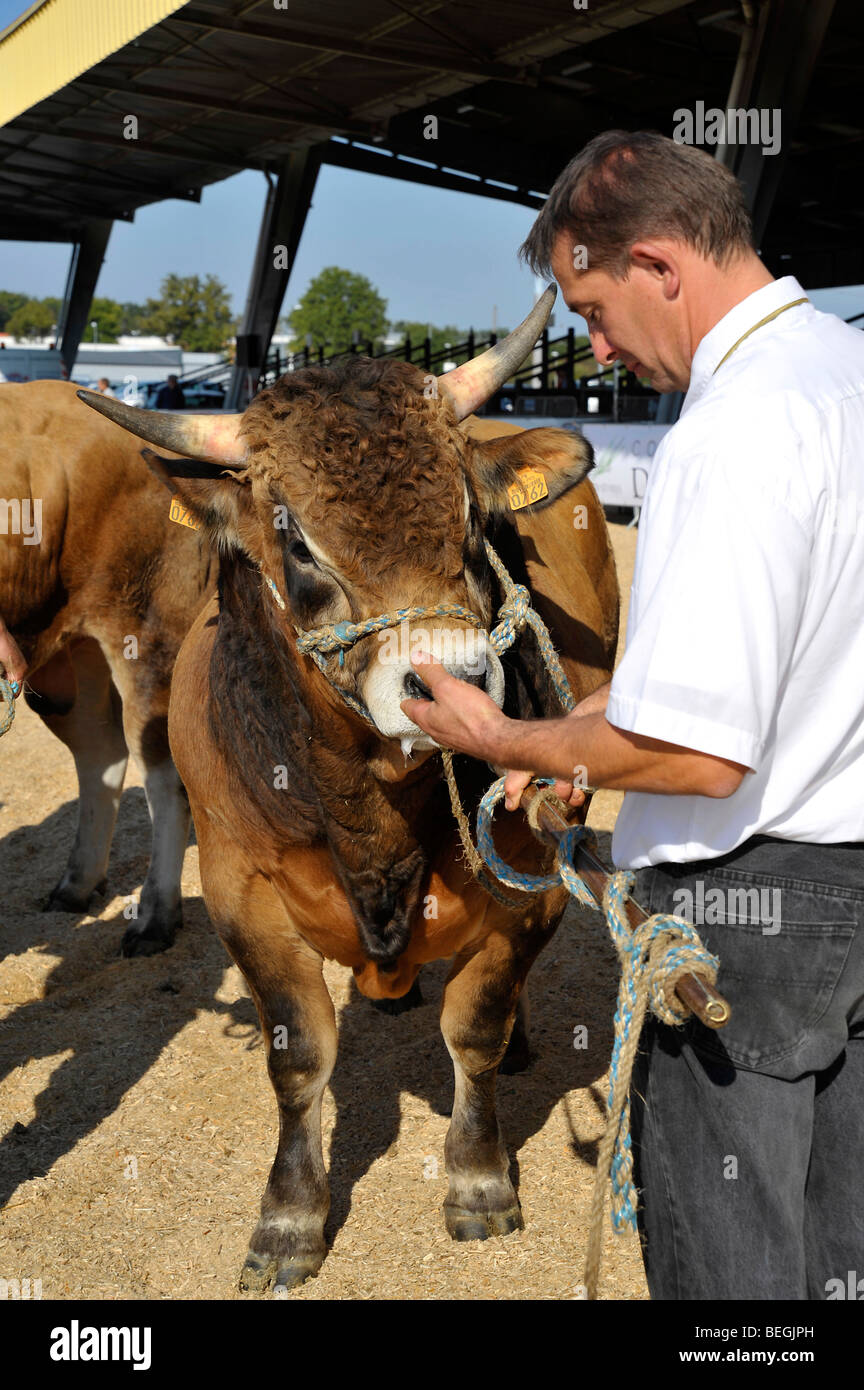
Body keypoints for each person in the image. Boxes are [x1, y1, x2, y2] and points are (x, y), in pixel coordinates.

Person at [401, 130, 864, 1301]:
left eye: (591, 304)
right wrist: (588, 726)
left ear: (658, 262)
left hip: (750, 911)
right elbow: (773, 658)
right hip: (850, 888)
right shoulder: (842, 376)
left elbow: (698, 750)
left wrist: (505, 738)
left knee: (736, 1272)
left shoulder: (733, 426)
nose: (594, 343)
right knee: (842, 1242)